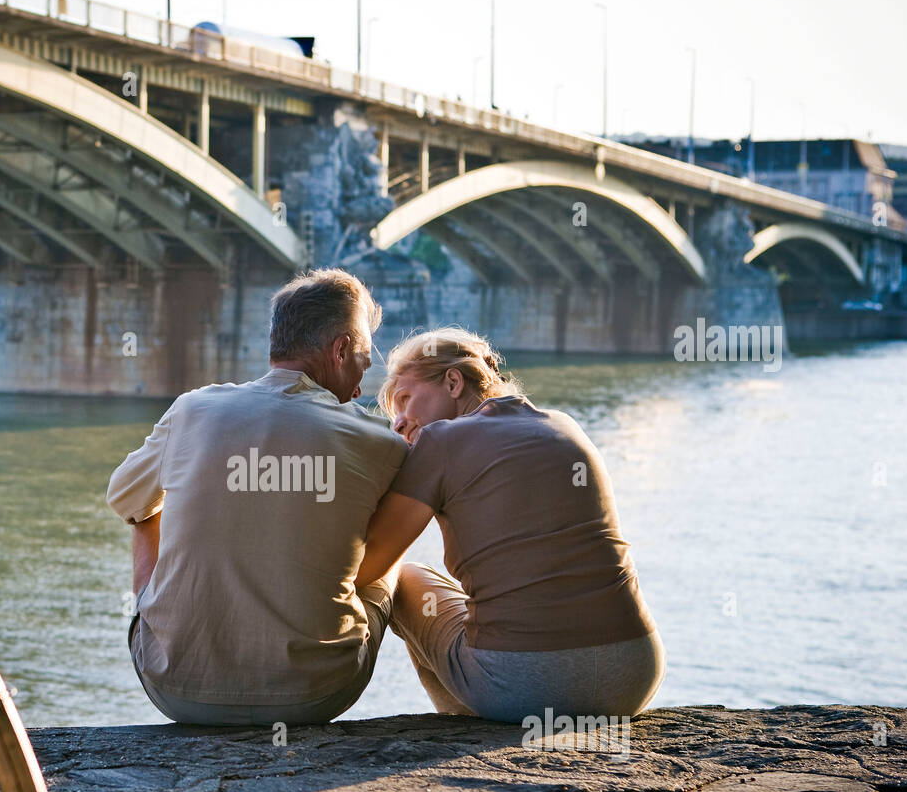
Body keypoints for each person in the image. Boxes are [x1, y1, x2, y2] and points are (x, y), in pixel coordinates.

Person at [106, 268, 407, 726]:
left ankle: (176, 636)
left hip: (173, 687)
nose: (361, 389)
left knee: (142, 509)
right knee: (396, 559)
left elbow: (123, 497)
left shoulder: (193, 409)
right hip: (315, 694)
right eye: (363, 362)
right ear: (341, 349)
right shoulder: (378, 439)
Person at [355, 327, 665, 722]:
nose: (399, 422)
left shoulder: (440, 441)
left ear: (453, 381)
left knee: (406, 578)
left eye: (405, 399)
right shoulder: (564, 425)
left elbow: (369, 567)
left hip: (525, 685)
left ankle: (460, 724)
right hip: (634, 674)